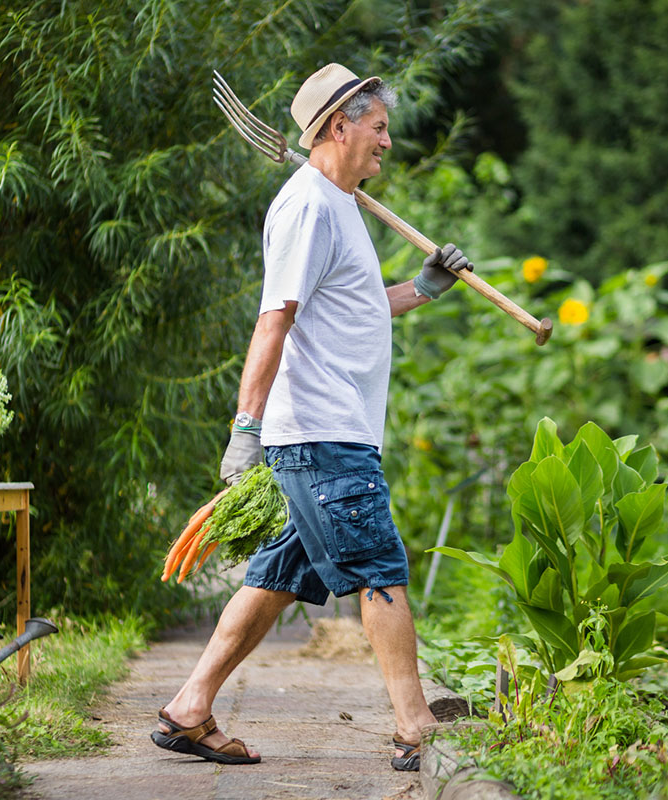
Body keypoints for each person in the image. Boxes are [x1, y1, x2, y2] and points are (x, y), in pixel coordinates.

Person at [151, 62, 472, 772]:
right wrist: (245, 429)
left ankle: (189, 708)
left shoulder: (341, 205)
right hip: (324, 435)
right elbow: (276, 320)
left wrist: (423, 288)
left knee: (275, 579)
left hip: (331, 430)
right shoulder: (308, 207)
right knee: (381, 567)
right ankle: (416, 725)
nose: (388, 142)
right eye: (379, 127)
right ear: (339, 126)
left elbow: (355, 308)